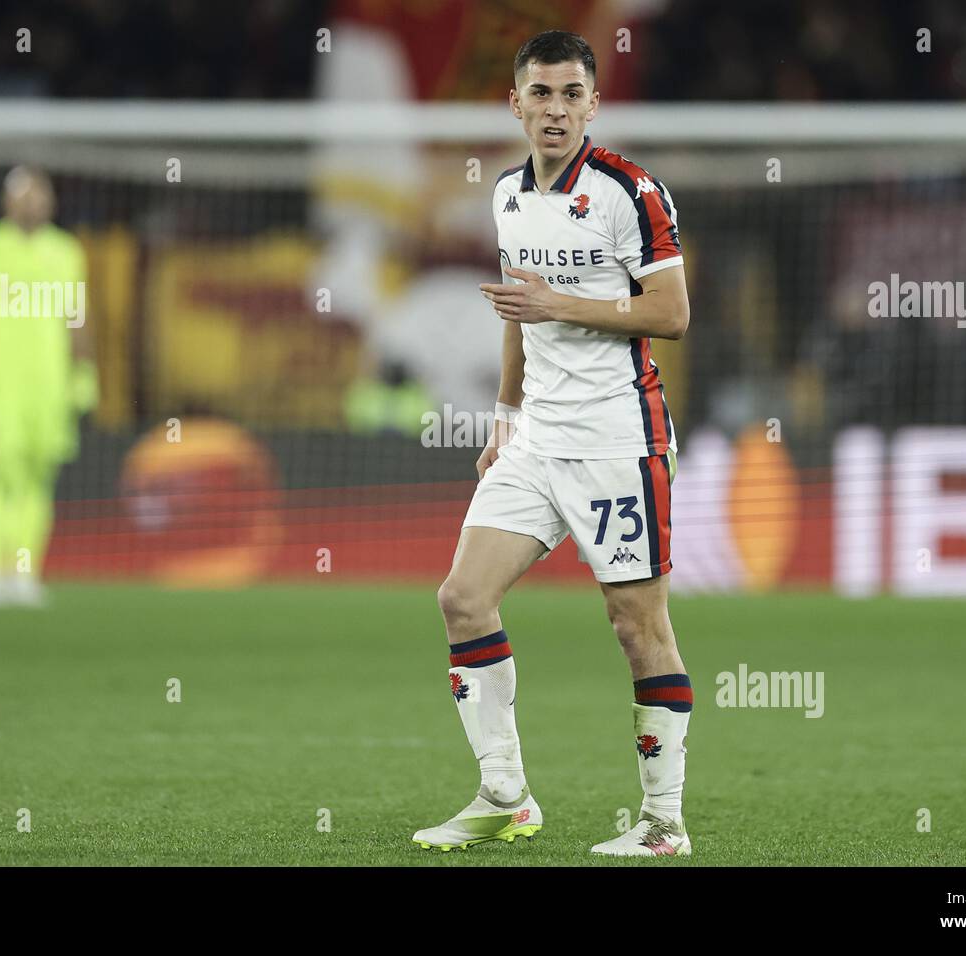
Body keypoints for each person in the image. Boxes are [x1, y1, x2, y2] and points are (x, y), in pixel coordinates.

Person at [413, 31, 693, 856]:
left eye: (572, 94)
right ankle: (504, 795)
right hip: (537, 438)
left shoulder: (629, 193)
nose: (556, 110)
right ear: (516, 104)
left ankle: (663, 824)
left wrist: (558, 303)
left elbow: (671, 315)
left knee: (636, 626)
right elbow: (517, 314)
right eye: (542, 94)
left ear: (593, 104)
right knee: (463, 599)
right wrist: (504, 418)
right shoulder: (506, 195)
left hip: (618, 439)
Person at [0, 166, 97, 607]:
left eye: (41, 195)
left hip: (50, 389)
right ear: (7, 202)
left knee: (37, 481)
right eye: (25, 195)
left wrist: (84, 371)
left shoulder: (66, 252)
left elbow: (78, 316)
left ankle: (24, 576)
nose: (34, 203)